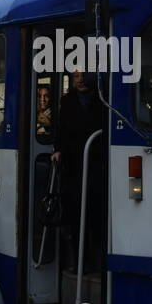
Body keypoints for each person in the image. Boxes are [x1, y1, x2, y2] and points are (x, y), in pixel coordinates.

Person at [52, 71, 108, 273]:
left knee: (97, 217)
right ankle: (80, 263)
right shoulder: (67, 101)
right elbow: (60, 128)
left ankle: (99, 262)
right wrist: (57, 150)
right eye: (76, 76)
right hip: (73, 166)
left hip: (97, 165)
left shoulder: (103, 99)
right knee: (76, 217)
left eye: (84, 75)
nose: (81, 80)